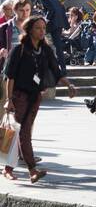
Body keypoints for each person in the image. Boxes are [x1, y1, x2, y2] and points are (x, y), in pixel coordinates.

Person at [3, 15, 76, 182]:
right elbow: (10, 76)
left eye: (44, 28)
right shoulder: (19, 49)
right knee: (24, 132)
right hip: (19, 96)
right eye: (38, 28)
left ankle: (8, 168)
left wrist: (69, 84)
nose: (42, 31)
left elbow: (56, 71)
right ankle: (32, 170)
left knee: (19, 132)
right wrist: (9, 99)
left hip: (35, 97)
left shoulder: (46, 50)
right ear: (29, 30)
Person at [33, 0, 68, 74]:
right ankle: (63, 68)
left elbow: (51, 10)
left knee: (37, 38)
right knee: (58, 45)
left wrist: (45, 20)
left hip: (53, 24)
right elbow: (60, 8)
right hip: (59, 23)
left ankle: (41, 61)